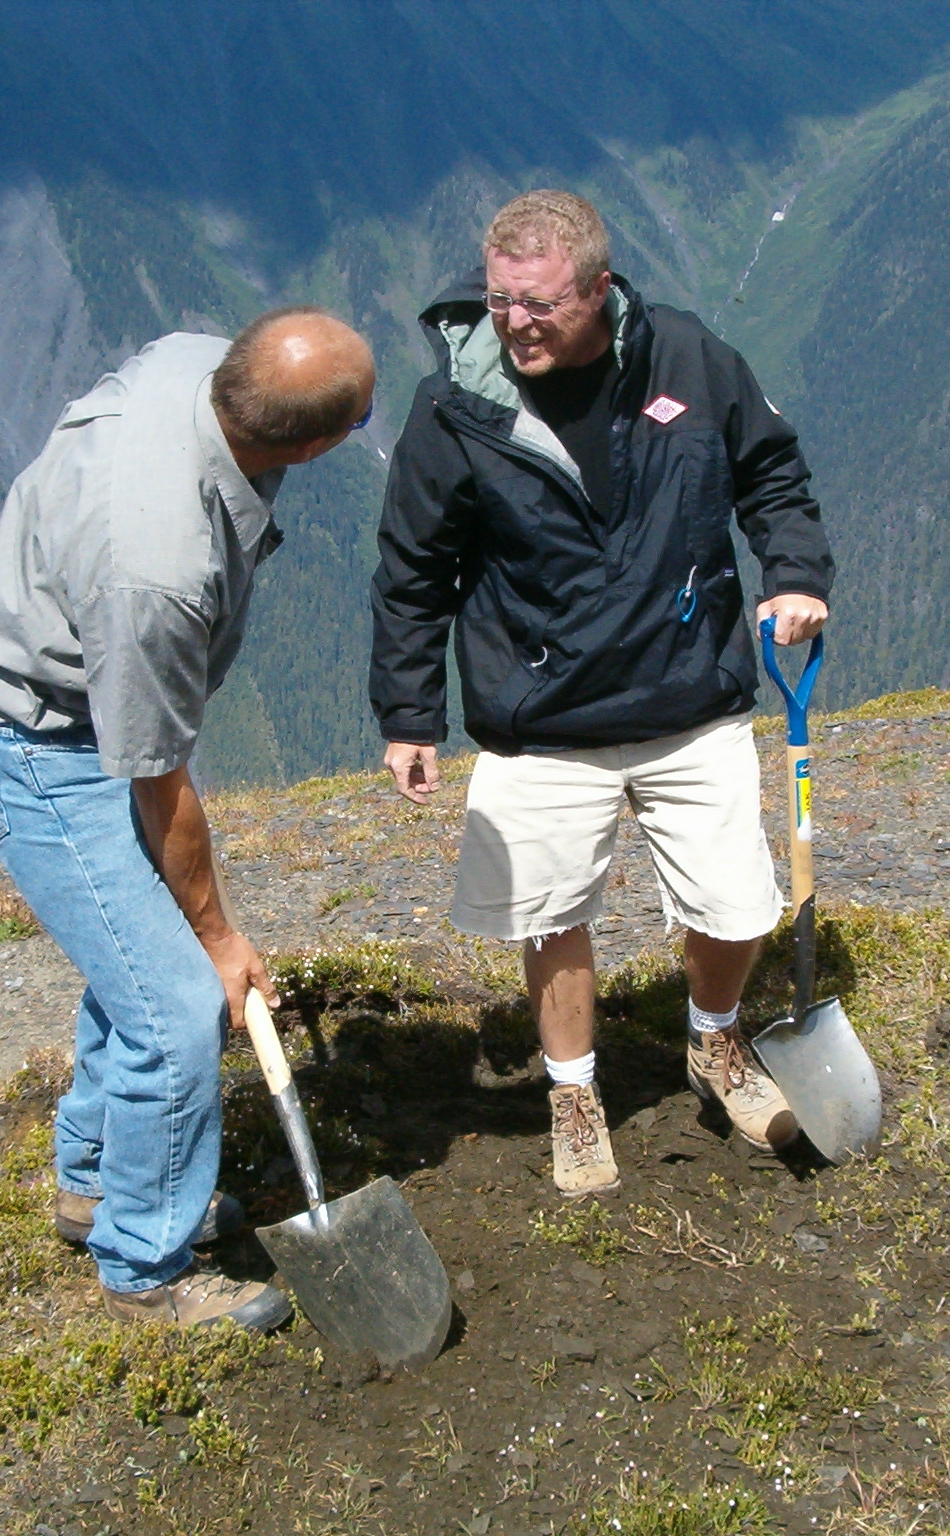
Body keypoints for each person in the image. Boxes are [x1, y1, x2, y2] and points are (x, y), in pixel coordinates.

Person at [370, 191, 832, 1198]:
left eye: (537, 304)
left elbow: (772, 474)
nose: (514, 322)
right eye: (499, 301)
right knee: (550, 910)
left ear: (597, 289)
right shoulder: (455, 404)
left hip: (687, 693)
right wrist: (410, 716)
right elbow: (412, 567)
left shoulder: (686, 358)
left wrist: (793, 572)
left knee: (735, 900)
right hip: (539, 719)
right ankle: (572, 1094)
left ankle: (713, 1041)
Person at [0, 308, 375, 1324]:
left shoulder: (190, 362)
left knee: (135, 964)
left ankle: (96, 1184)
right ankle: (146, 1266)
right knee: (176, 1005)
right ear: (309, 445)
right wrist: (219, 937)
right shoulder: (156, 570)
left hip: (74, 710)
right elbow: (156, 777)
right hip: (35, 745)